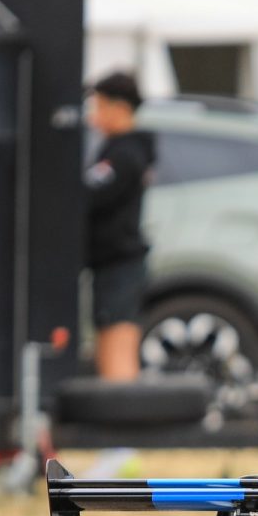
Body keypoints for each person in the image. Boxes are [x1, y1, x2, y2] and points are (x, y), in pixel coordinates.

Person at [85, 71, 156, 381]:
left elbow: (88, 194)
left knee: (117, 351)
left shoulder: (124, 154)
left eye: (99, 106)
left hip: (119, 264)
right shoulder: (122, 149)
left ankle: (122, 421)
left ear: (120, 108)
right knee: (109, 342)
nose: (94, 115)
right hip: (114, 264)